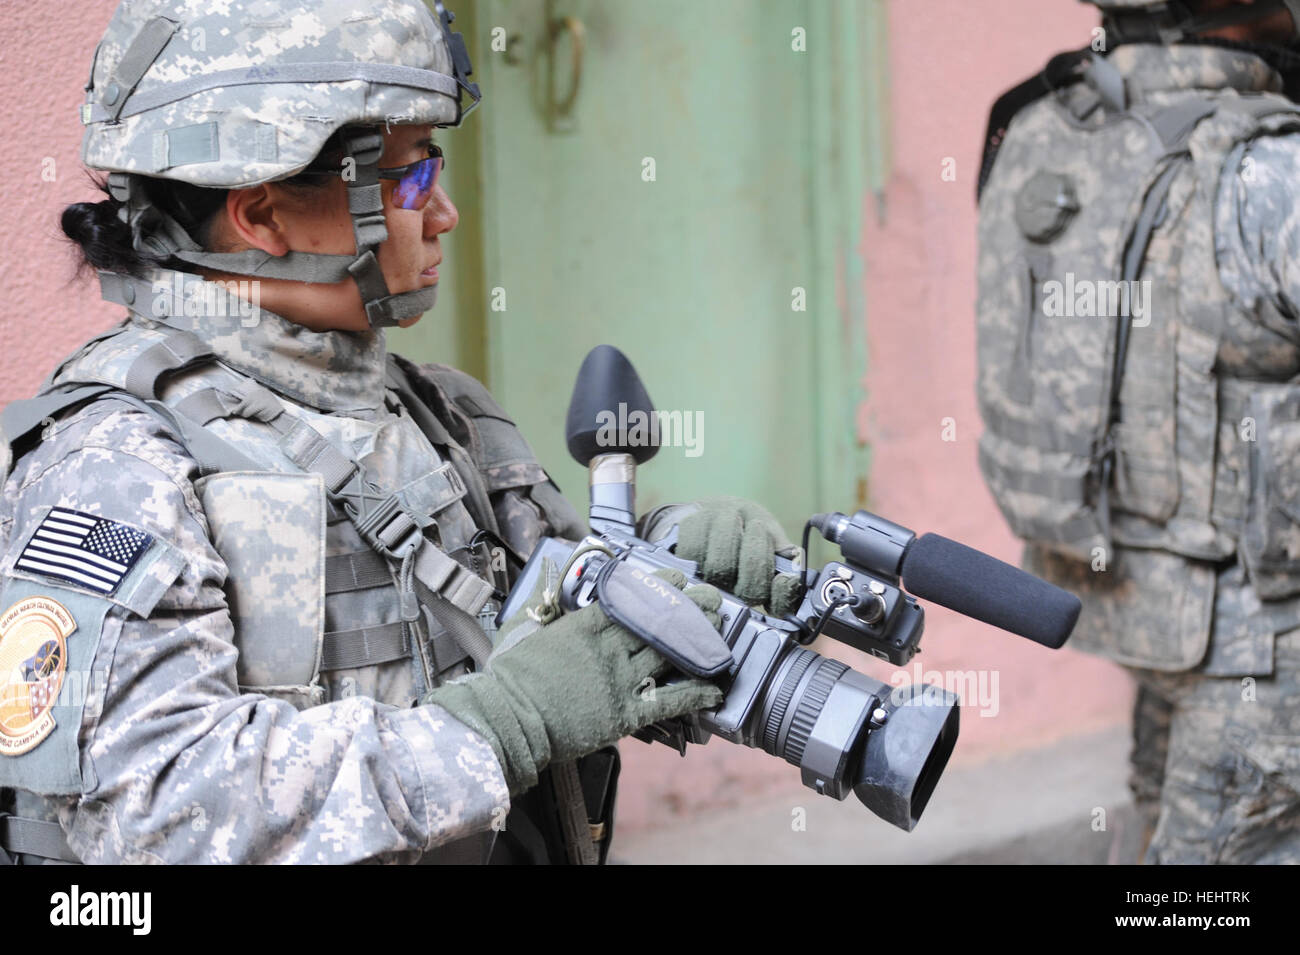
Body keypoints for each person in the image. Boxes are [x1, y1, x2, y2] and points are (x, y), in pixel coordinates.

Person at [0, 0, 799, 864]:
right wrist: (499, 726)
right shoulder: (114, 462)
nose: (444, 211)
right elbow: (161, 811)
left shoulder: (443, 416)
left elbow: (581, 637)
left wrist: (676, 562)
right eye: (411, 178)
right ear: (262, 216)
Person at [976, 0, 1300, 863]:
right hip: (1259, 641)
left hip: (1123, 588)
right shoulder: (1268, 172)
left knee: (1165, 826)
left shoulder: (1043, 125)